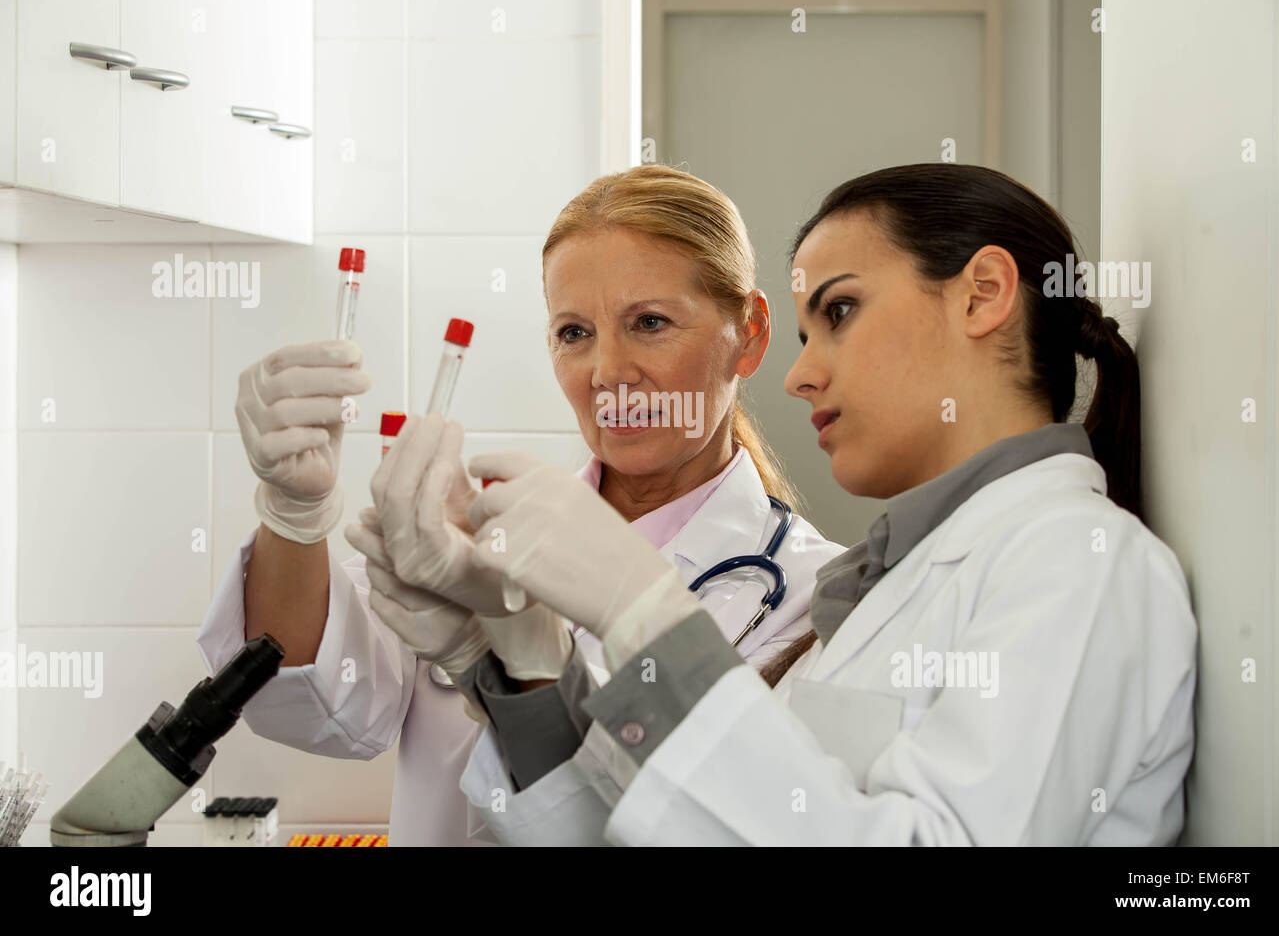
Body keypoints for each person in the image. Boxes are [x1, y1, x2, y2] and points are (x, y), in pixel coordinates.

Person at [447, 163, 1197, 845]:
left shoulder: (1079, 565)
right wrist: (526, 670)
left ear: (984, 296)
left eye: (838, 312)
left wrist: (647, 614)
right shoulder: (897, 589)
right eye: (573, 332)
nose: (799, 375)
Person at [195, 164, 843, 845]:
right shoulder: (473, 536)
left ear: (751, 333)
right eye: (573, 333)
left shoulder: (812, 598)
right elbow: (311, 704)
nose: (608, 373)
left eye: (649, 322)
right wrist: (295, 515)